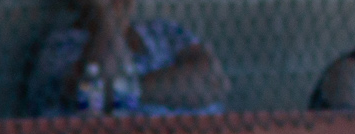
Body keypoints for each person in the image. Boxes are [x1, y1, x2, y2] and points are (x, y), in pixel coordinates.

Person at [28, 0, 230, 116]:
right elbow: (98, 94)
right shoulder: (61, 46)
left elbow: (213, 82)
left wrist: (126, 91)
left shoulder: (165, 32)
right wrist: (105, 18)